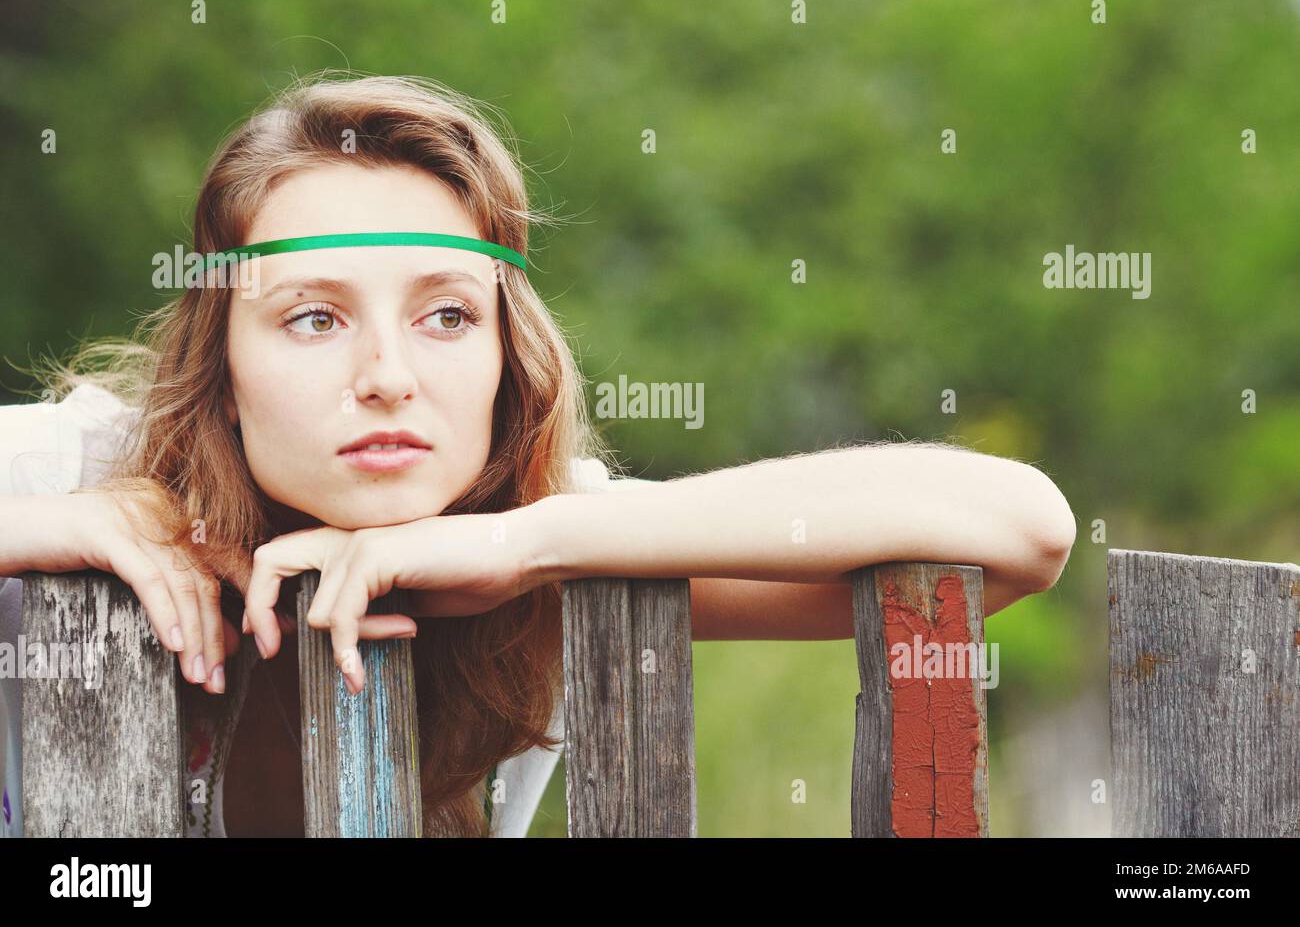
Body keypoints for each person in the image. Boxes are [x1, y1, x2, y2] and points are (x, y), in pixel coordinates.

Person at [0, 72, 1076, 838]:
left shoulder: (535, 539)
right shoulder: (84, 472)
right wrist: (41, 525)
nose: (387, 373)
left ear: (508, 357)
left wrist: (531, 547)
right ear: (223, 368)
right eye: (314, 318)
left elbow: (1021, 527)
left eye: (447, 315)